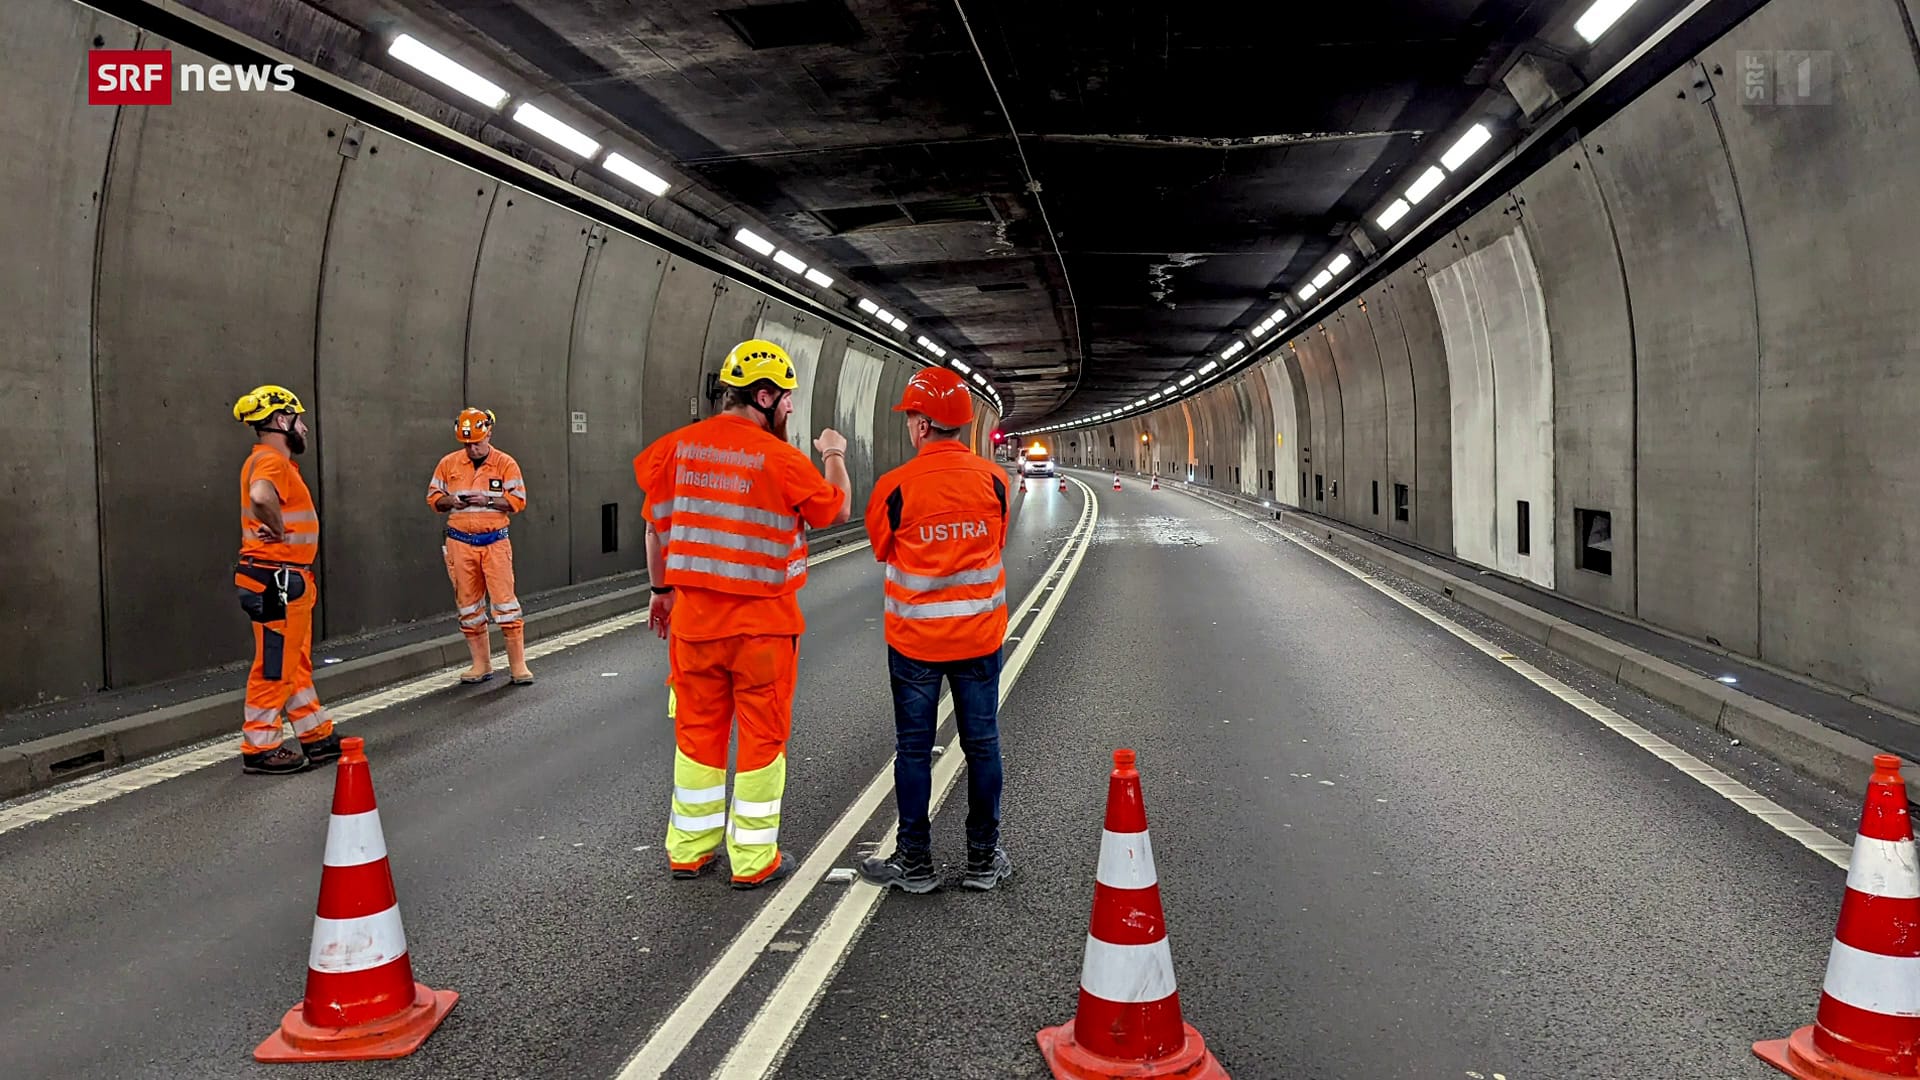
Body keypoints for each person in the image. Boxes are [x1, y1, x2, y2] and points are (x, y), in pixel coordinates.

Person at [633, 339, 852, 889]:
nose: (790, 410)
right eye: (785, 400)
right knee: (761, 738)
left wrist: (660, 592)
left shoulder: (674, 450)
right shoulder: (780, 459)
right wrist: (834, 454)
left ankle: (690, 848)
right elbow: (837, 507)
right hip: (762, 631)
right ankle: (753, 861)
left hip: (693, 627)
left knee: (696, 734)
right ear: (762, 395)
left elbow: (656, 529)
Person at [857, 366, 1013, 892]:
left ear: (922, 425)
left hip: (915, 644)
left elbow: (882, 548)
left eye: (911, 419)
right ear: (965, 424)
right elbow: (997, 544)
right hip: (978, 639)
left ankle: (916, 862)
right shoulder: (995, 481)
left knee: (915, 750)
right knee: (983, 745)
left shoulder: (893, 488)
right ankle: (983, 859)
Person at [231, 385, 341, 775]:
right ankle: (260, 747)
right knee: (276, 664)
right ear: (282, 421)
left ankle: (316, 736)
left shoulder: (269, 461)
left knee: (292, 662)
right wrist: (277, 530)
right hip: (277, 578)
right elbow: (262, 496)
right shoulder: (271, 461)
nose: (305, 428)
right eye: (299, 419)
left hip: (280, 577)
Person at [428, 408, 533, 685]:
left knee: (506, 605)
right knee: (468, 607)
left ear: (489, 434)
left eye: (476, 442)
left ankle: (518, 666)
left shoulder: (505, 463)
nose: (472, 449)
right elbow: (434, 499)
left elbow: (518, 500)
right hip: (460, 544)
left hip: (495, 542)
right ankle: (481, 664)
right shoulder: (448, 464)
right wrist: (452, 501)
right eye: (467, 444)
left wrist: (485, 500)